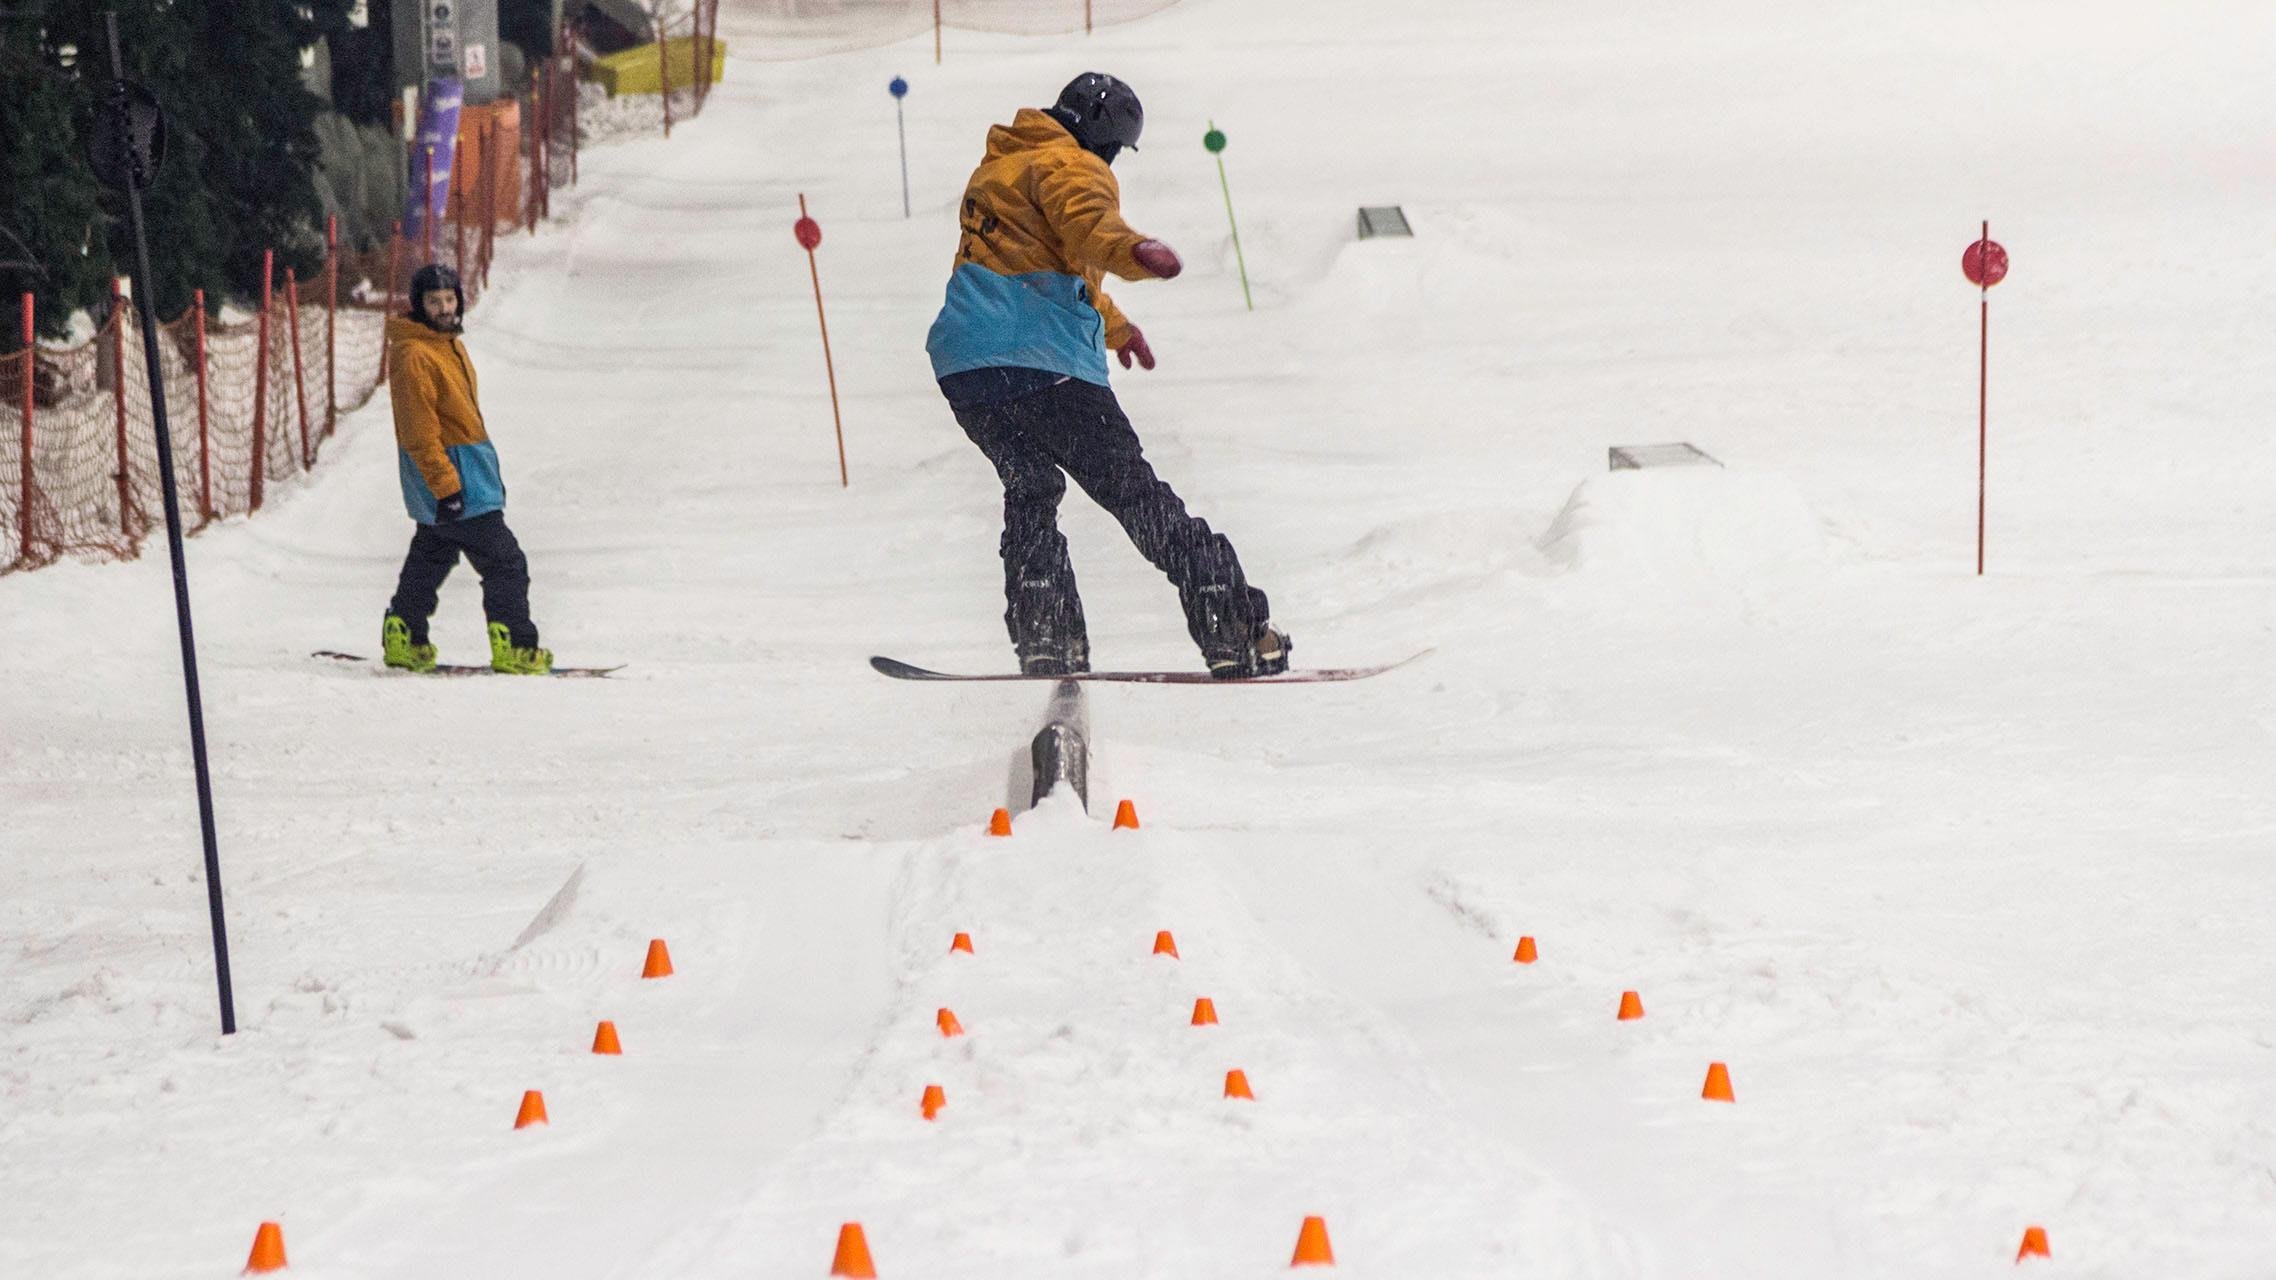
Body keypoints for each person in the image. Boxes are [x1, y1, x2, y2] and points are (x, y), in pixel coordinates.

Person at [925, 72, 1290, 679]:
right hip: (1042, 365)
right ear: (1103, 137)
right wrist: (1137, 251)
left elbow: (1041, 261)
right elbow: (1091, 227)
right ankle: (1236, 631)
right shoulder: (1073, 165)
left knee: (1032, 489)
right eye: (1115, 149)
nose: (1112, 160)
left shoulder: (1000, 168)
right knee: (1135, 494)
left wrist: (1118, 328)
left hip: (968, 368)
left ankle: (1046, 634)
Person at [379, 263, 551, 674]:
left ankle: (404, 633)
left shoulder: (446, 345)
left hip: (462, 473)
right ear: (418, 305)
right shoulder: (416, 354)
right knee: (505, 561)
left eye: (450, 299)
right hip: (455, 481)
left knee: (433, 553)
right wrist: (446, 487)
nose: (444, 308)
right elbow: (418, 431)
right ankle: (514, 643)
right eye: (434, 301)